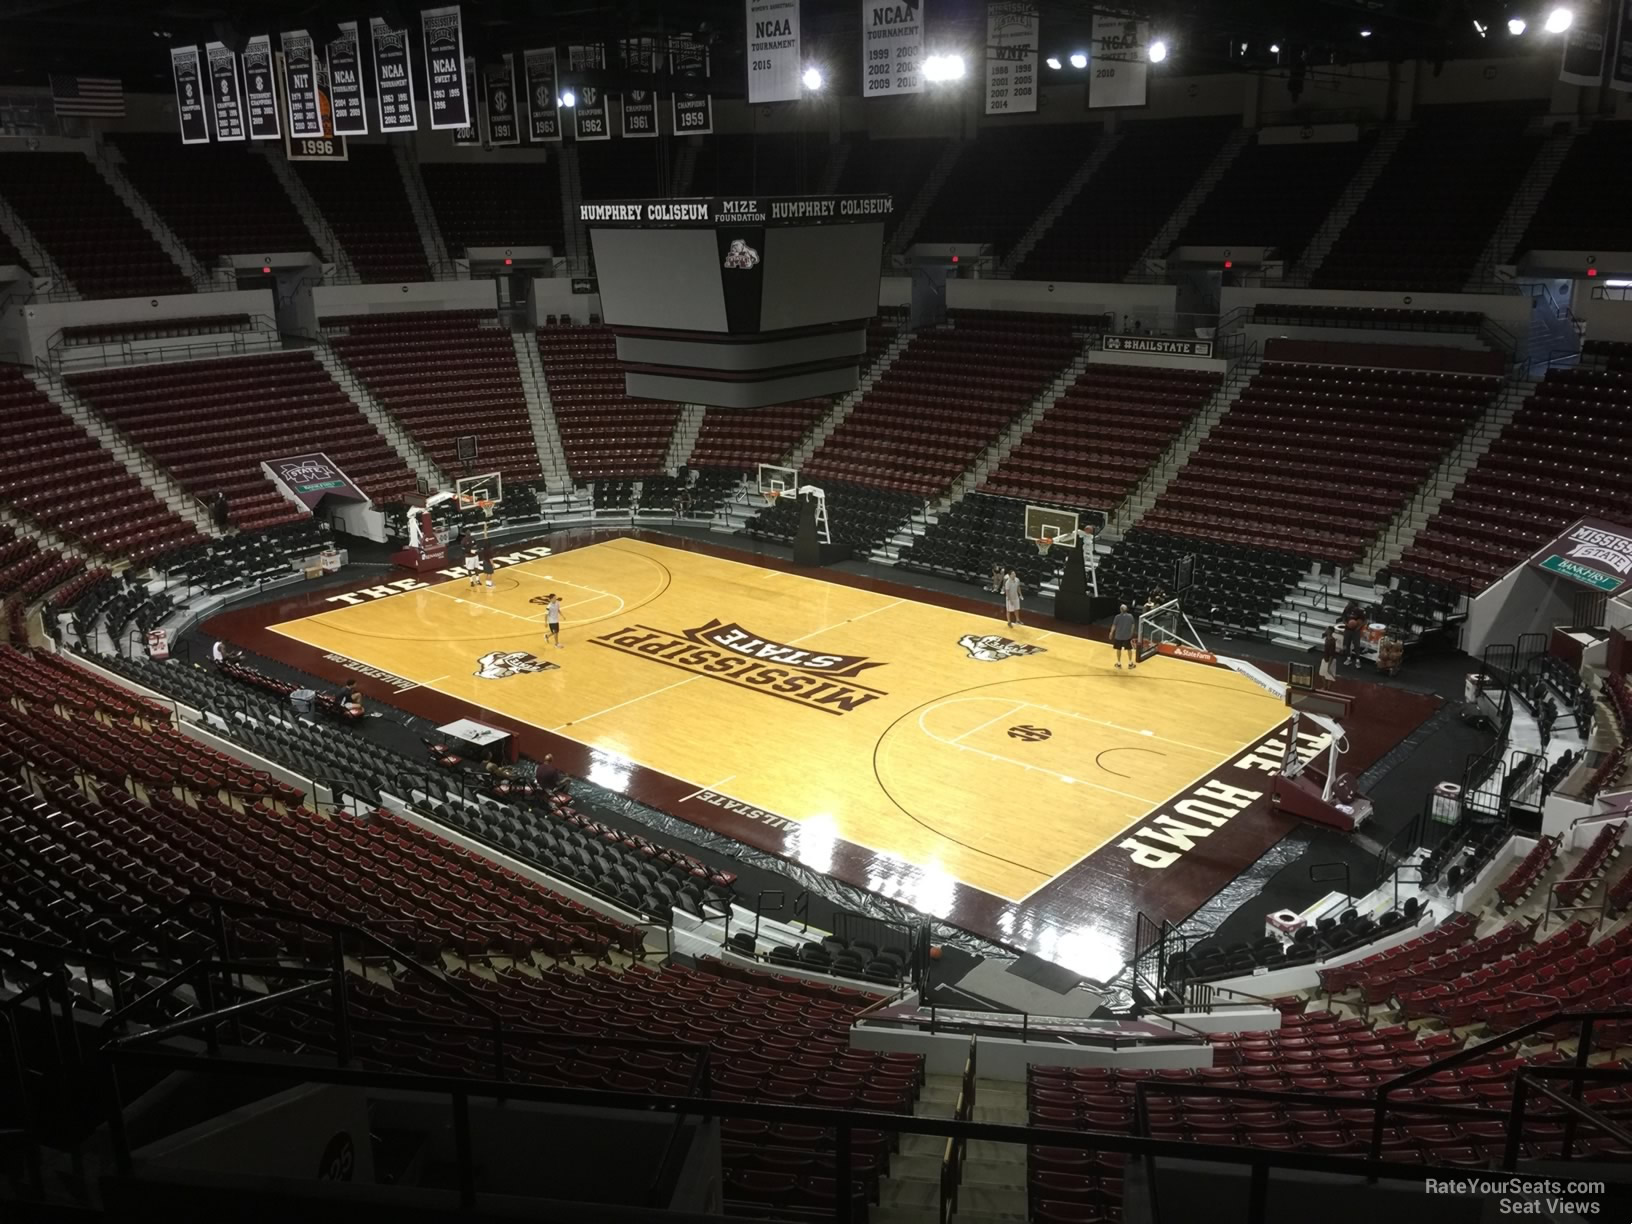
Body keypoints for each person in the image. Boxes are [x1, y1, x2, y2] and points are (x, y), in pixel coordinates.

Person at [1111, 604, 1138, 670]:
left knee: (1118, 649)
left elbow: (1114, 626)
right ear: (1126, 609)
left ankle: (1119, 663)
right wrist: (1131, 633)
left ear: (1120, 610)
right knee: (1129, 649)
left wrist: (1111, 633)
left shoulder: (1117, 617)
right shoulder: (1130, 616)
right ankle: (1130, 663)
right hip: (1127, 636)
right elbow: (1133, 626)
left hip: (1118, 636)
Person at [1341, 601, 1365, 667]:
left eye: (1349, 603)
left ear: (1353, 605)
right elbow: (1343, 618)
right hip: (1348, 630)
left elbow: (1364, 620)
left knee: (1357, 645)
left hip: (1355, 630)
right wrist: (1347, 624)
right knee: (1347, 644)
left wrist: (1359, 627)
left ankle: (1358, 660)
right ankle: (1348, 659)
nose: (1348, 604)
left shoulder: (1359, 611)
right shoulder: (1346, 610)